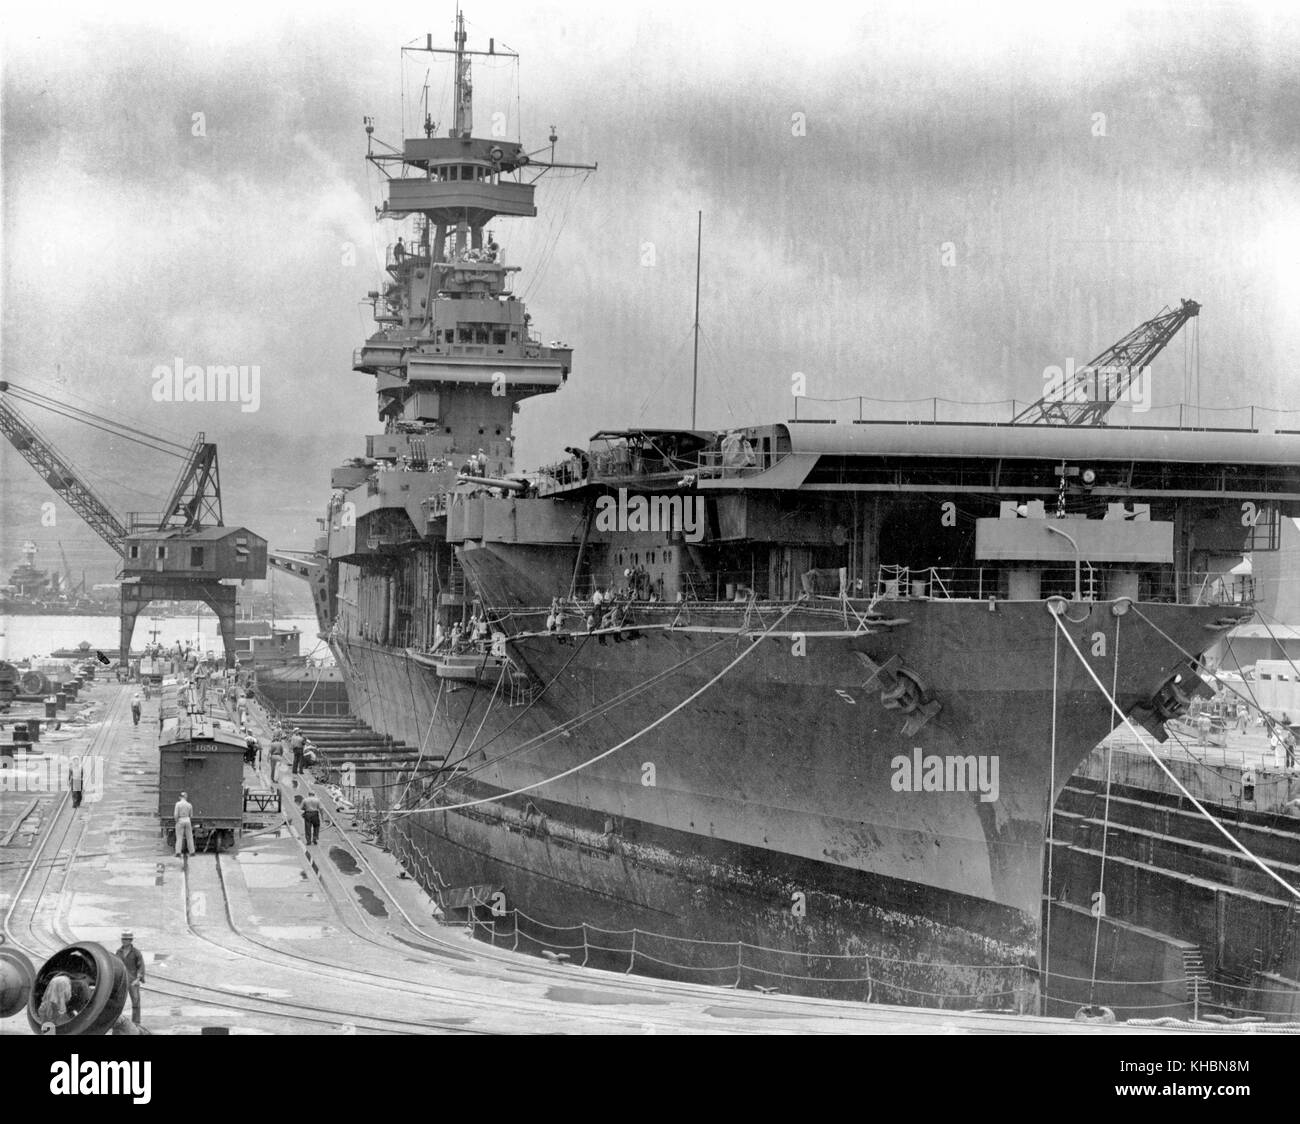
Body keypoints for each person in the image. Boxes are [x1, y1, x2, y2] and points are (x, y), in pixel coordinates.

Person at [115, 931, 145, 1025]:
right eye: (123, 939)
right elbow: (116, 965)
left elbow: (141, 966)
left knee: (135, 1002)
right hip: (122, 981)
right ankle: (117, 1021)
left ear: (130, 940)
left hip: (133, 981)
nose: (123, 941)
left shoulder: (136, 953)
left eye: (126, 939)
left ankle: (136, 1023)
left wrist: (138, 979)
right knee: (118, 1002)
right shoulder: (118, 952)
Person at [174, 791, 195, 857]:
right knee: (189, 837)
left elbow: (175, 814)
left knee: (179, 837)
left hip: (180, 820)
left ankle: (178, 852)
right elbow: (191, 815)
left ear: (180, 797)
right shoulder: (189, 805)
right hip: (187, 820)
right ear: (186, 797)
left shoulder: (178, 804)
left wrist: (176, 821)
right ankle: (192, 852)